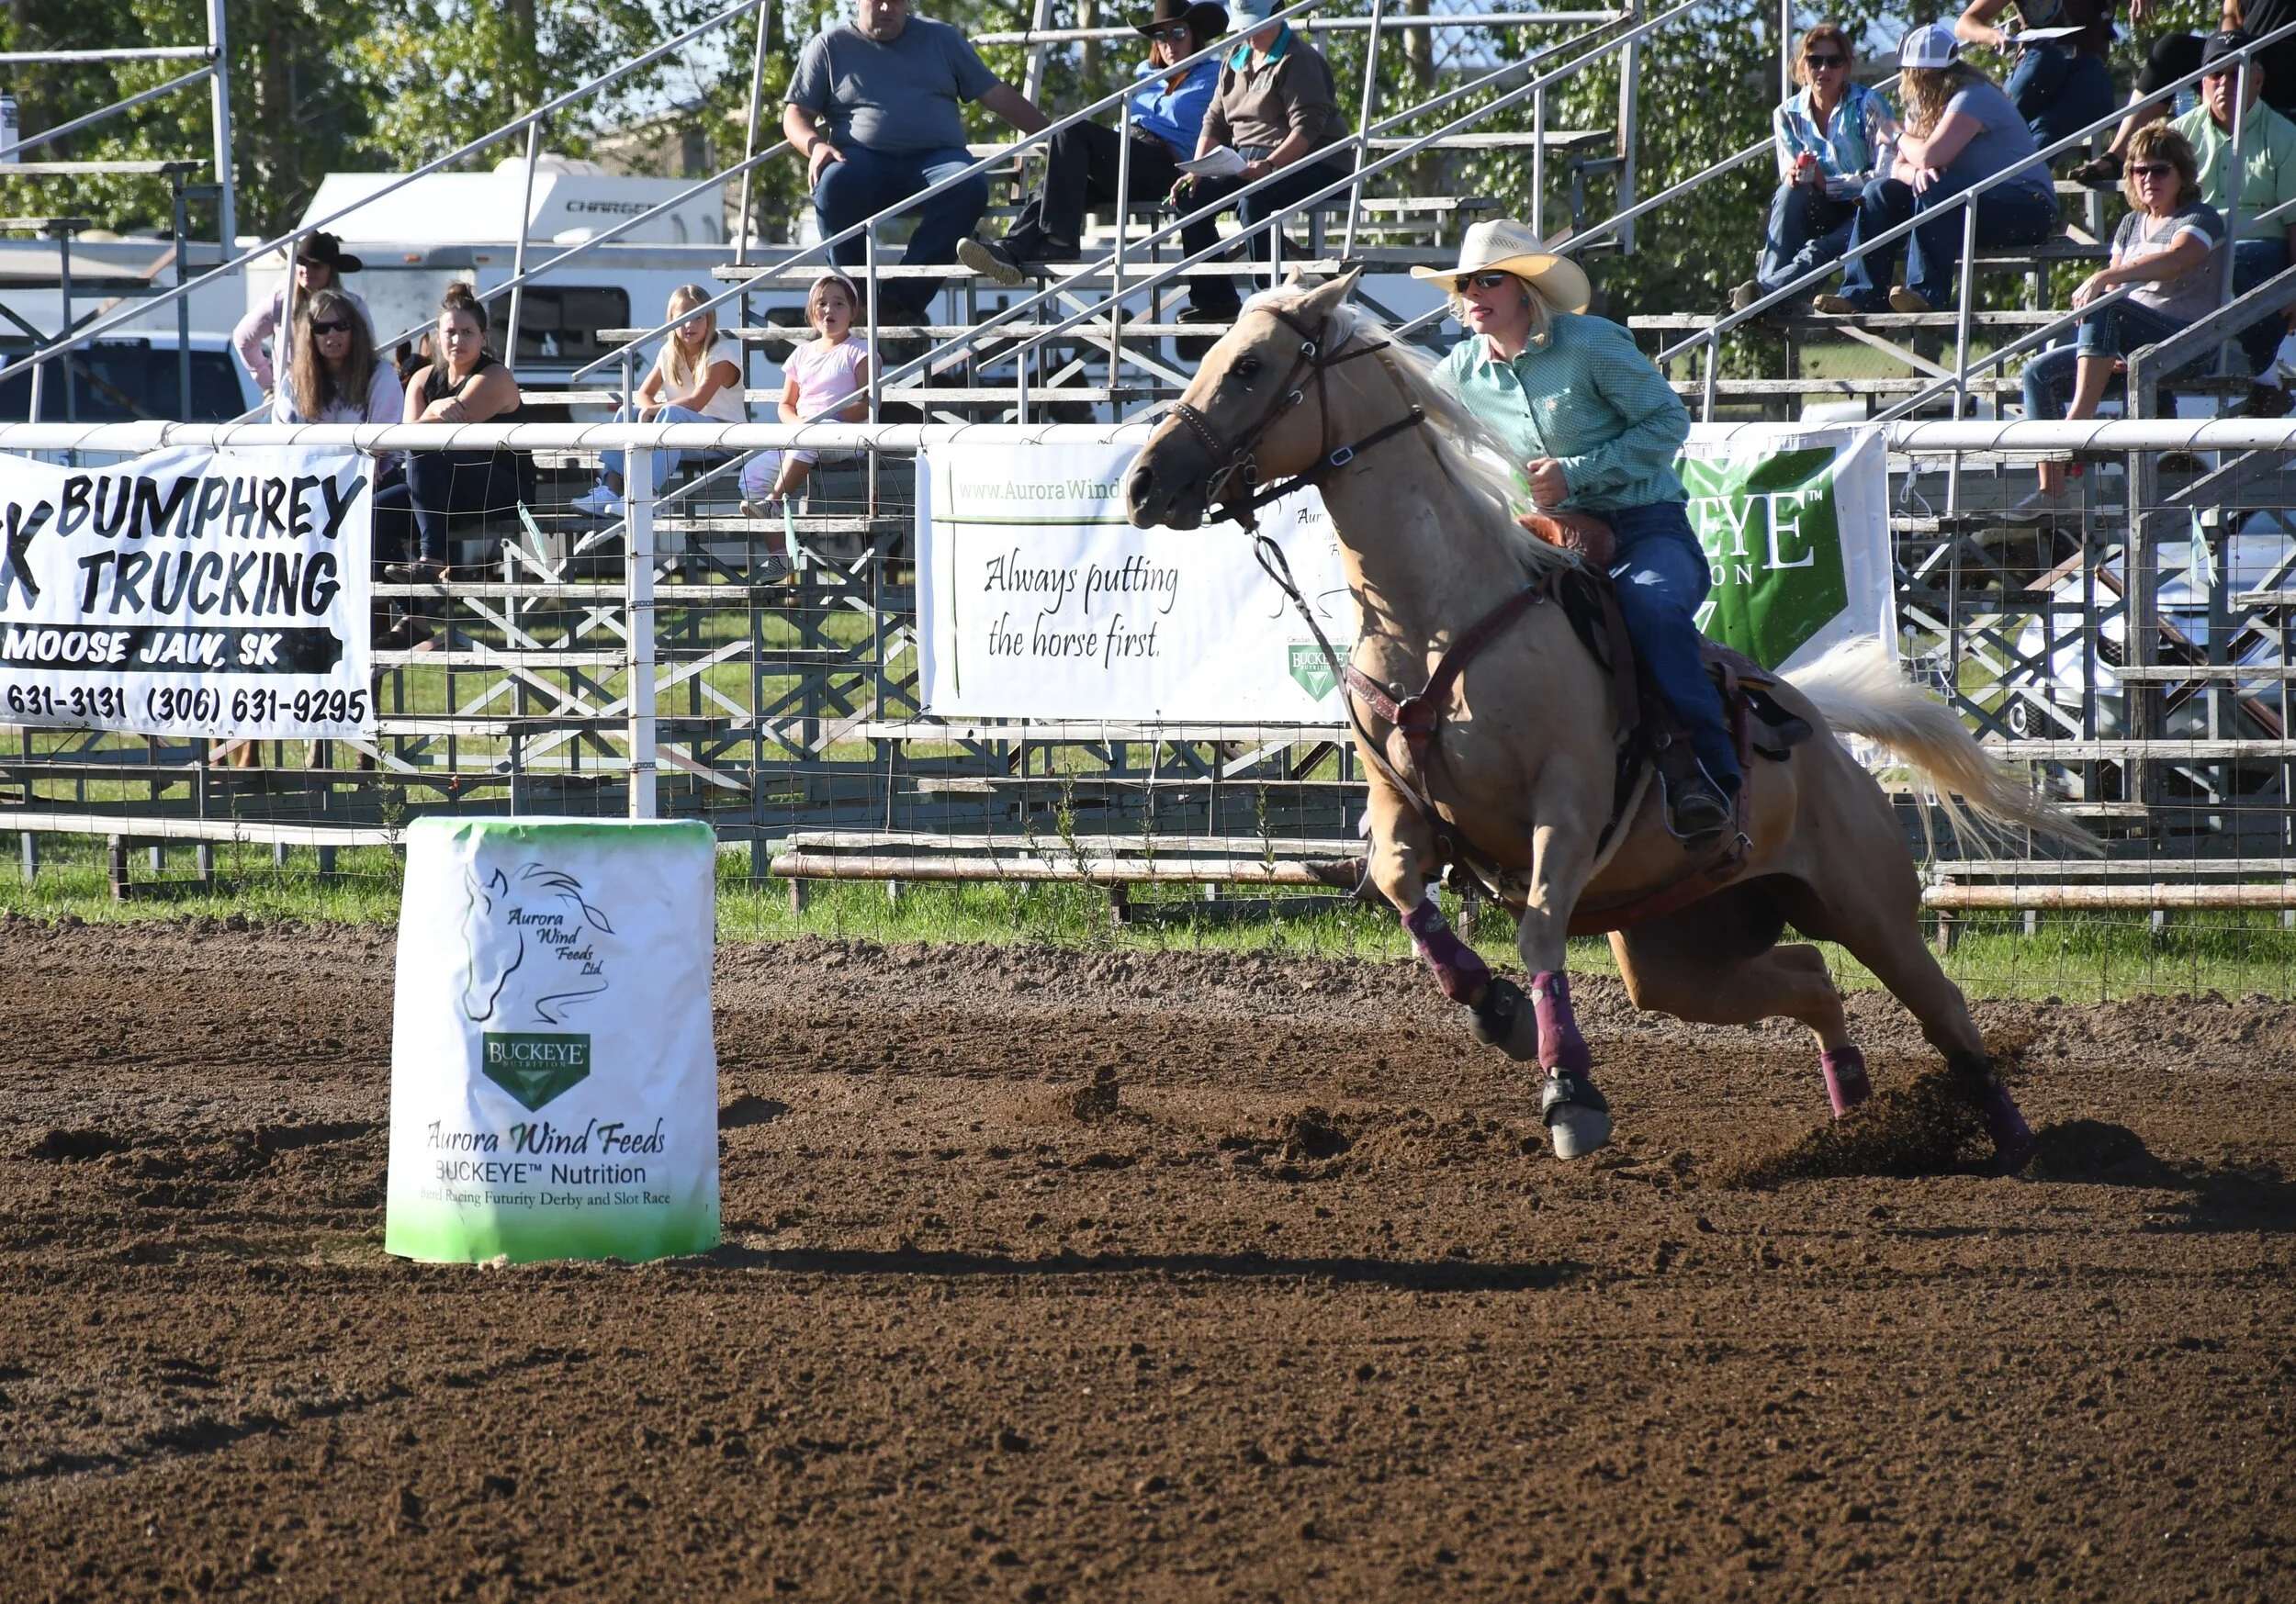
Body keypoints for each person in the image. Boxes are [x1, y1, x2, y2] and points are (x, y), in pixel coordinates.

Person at [1421, 219, 1737, 840]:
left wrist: (1578, 472)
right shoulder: (1455, 375)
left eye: (1489, 279)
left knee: (1649, 607)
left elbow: (1668, 422)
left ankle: (1710, 769)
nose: (1473, 294)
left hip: (1645, 527)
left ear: (1524, 290)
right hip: (1538, 539)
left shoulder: (1590, 344)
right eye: (1464, 283)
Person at [783, 0, 1049, 328]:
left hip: (936, 157)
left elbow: (996, 95)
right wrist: (814, 145)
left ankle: (898, 302)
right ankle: (854, 298)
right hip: (861, 159)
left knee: (967, 186)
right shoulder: (829, 45)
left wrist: (1059, 135)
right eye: (876, 0)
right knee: (832, 186)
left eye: (895, 0)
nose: (885, 7)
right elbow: (796, 112)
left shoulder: (942, 39)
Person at [2019, 125, 2224, 504]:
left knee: (2107, 305)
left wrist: (2106, 276)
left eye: (2160, 170)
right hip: (2129, 344)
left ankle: (2076, 428)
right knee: (2037, 373)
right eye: (2138, 171)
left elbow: (2181, 259)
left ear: (2182, 174)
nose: (2148, 179)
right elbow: (2113, 293)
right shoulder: (2131, 222)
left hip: (2187, 344)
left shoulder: (2201, 216)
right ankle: (2052, 495)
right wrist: (2108, 342)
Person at [957, 0, 1226, 286]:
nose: (1170, 43)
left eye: (1179, 34)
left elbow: (1230, 118)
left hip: (1166, 163)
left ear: (1196, 34)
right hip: (1128, 154)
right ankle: (1009, 249)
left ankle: (1061, 241)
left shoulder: (1216, 74)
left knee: (1068, 128)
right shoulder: (1146, 74)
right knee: (1053, 181)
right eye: (1161, 36)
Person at [1816, 25, 2059, 316]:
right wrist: (1915, 172)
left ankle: (1926, 293)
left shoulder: (1973, 97)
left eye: (1916, 74)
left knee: (1938, 187)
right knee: (1878, 192)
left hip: (2027, 207)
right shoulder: (1925, 106)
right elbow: (1898, 167)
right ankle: (1860, 294)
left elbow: (1931, 155)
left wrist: (1894, 133)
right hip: (1968, 204)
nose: (1910, 82)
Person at [1169, 0, 1352, 326]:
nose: (1248, 32)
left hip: (1315, 159)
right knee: (1189, 197)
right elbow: (1215, 121)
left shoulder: (1299, 59)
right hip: (1246, 158)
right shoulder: (1234, 59)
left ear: (1278, 14)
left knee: (1256, 199)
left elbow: (1307, 128)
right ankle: (1216, 300)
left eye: (1254, 22)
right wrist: (1197, 169)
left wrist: (1270, 164)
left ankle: (1272, 302)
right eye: (1243, 23)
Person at [1732, 25, 1900, 309]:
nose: (1824, 69)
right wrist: (1798, 175)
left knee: (1817, 249)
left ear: (1847, 66)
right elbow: (1790, 172)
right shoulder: (1786, 114)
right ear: (1802, 66)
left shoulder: (1869, 105)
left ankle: (1760, 298)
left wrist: (1829, 184)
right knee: (1788, 193)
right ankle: (1763, 297)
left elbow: (1887, 178)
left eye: (1834, 61)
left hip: (1869, 211)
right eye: (1814, 61)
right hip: (1819, 209)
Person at [377, 284, 528, 589]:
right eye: (450, 332)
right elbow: (408, 439)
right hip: (441, 493)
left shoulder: (495, 377)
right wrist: (434, 407)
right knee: (373, 513)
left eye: (467, 332)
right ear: (437, 336)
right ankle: (413, 619)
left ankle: (432, 559)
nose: (457, 339)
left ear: (483, 338)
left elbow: (426, 434)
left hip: (501, 490)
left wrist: (427, 418)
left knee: (426, 447)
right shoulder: (422, 379)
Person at [2173, 30, 2296, 393]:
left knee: (2238, 259)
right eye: (2216, 74)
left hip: (2261, 248)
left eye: (2236, 72)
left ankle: (2265, 378)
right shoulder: (2178, 134)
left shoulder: (2285, 136)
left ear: (2257, 79)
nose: (2225, 82)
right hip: (2190, 244)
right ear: (2202, 82)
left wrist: (2293, 288)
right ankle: (2157, 388)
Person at [738, 273, 872, 582]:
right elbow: (785, 405)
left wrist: (830, 417)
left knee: (812, 435)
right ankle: (780, 556)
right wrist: (799, 425)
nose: (830, 311)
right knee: (750, 476)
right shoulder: (801, 354)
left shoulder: (860, 351)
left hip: (843, 436)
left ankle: (773, 503)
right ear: (812, 312)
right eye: (822, 304)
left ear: (853, 311)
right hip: (803, 436)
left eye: (839, 304)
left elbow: (867, 405)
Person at [571, 286, 746, 520]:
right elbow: (644, 394)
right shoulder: (669, 352)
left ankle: (647, 495)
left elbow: (696, 402)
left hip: (725, 438)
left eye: (698, 317)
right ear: (671, 320)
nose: (689, 325)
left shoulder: (720, 354)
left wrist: (651, 413)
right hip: (682, 438)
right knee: (627, 412)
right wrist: (645, 413)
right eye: (682, 318)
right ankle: (611, 489)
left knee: (672, 412)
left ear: (709, 319)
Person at [1955, 0, 2152, 151]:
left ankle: (2023, 181)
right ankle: (1984, 144)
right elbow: (1965, 23)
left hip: (2083, 70)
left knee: (2093, 91)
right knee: (2047, 60)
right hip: (2039, 67)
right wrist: (1993, 36)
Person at [231, 232, 372, 399]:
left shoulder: (353, 306)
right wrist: (269, 383)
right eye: (301, 263)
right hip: (291, 397)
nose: (306, 270)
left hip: (341, 398)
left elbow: (366, 351)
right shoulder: (281, 302)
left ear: (331, 269)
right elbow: (243, 338)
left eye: (316, 265)